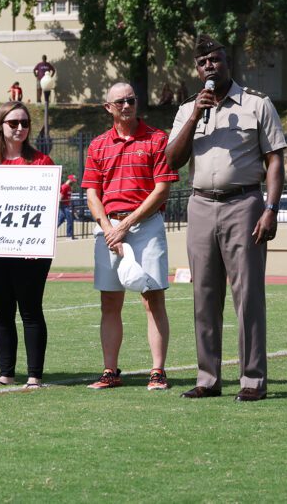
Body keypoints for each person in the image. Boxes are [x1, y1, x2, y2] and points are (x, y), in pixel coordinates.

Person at [165, 35, 286, 402]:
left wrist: (271, 208)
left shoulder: (256, 104)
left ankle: (252, 380)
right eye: (202, 62)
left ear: (226, 61)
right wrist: (196, 116)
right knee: (204, 295)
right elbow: (171, 161)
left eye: (214, 59)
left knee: (247, 296)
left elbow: (275, 159)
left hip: (244, 204)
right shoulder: (188, 108)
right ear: (197, 68)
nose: (209, 67)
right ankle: (208, 378)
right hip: (201, 205)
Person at [81, 83, 179, 391]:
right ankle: (110, 371)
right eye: (120, 101)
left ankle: (158, 371)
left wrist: (128, 223)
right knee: (109, 301)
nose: (127, 105)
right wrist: (109, 226)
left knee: (153, 299)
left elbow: (162, 189)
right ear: (108, 107)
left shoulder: (156, 139)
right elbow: (92, 193)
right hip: (109, 228)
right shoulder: (98, 145)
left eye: (131, 99)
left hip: (145, 226)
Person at [0, 101, 54, 389]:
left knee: (31, 310)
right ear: (1, 125)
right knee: (1, 312)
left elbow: (48, 209)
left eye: (25, 123)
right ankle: (6, 373)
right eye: (13, 123)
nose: (20, 128)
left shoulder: (41, 162)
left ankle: (34, 375)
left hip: (30, 253)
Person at [57, 175, 75, 239]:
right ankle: (69, 235)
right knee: (69, 220)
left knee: (60, 220)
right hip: (64, 205)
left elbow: (69, 197)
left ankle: (51, 232)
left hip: (66, 205)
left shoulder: (69, 187)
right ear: (69, 180)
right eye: (72, 181)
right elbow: (60, 196)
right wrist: (59, 204)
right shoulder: (64, 186)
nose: (73, 182)